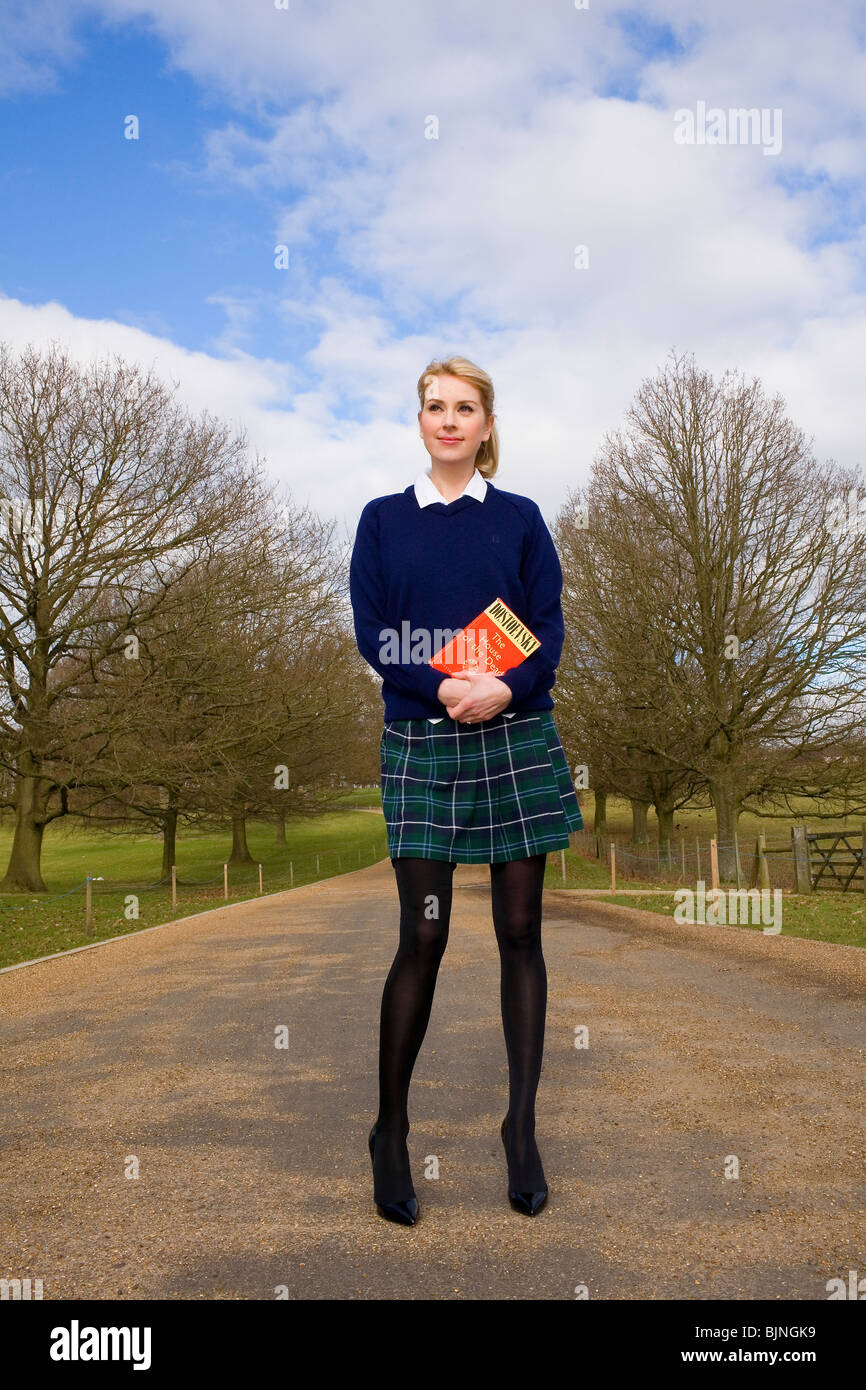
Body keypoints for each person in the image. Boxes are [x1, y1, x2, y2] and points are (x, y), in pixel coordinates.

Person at [349, 355, 583, 1225]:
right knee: (424, 934)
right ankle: (390, 1131)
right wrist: (442, 687)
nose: (449, 420)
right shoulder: (382, 521)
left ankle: (519, 1129)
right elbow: (374, 631)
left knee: (520, 931)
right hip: (421, 735)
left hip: (516, 732)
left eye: (466, 408)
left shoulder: (519, 520)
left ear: (486, 425)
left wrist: (506, 687)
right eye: (435, 407)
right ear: (420, 421)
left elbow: (547, 625)